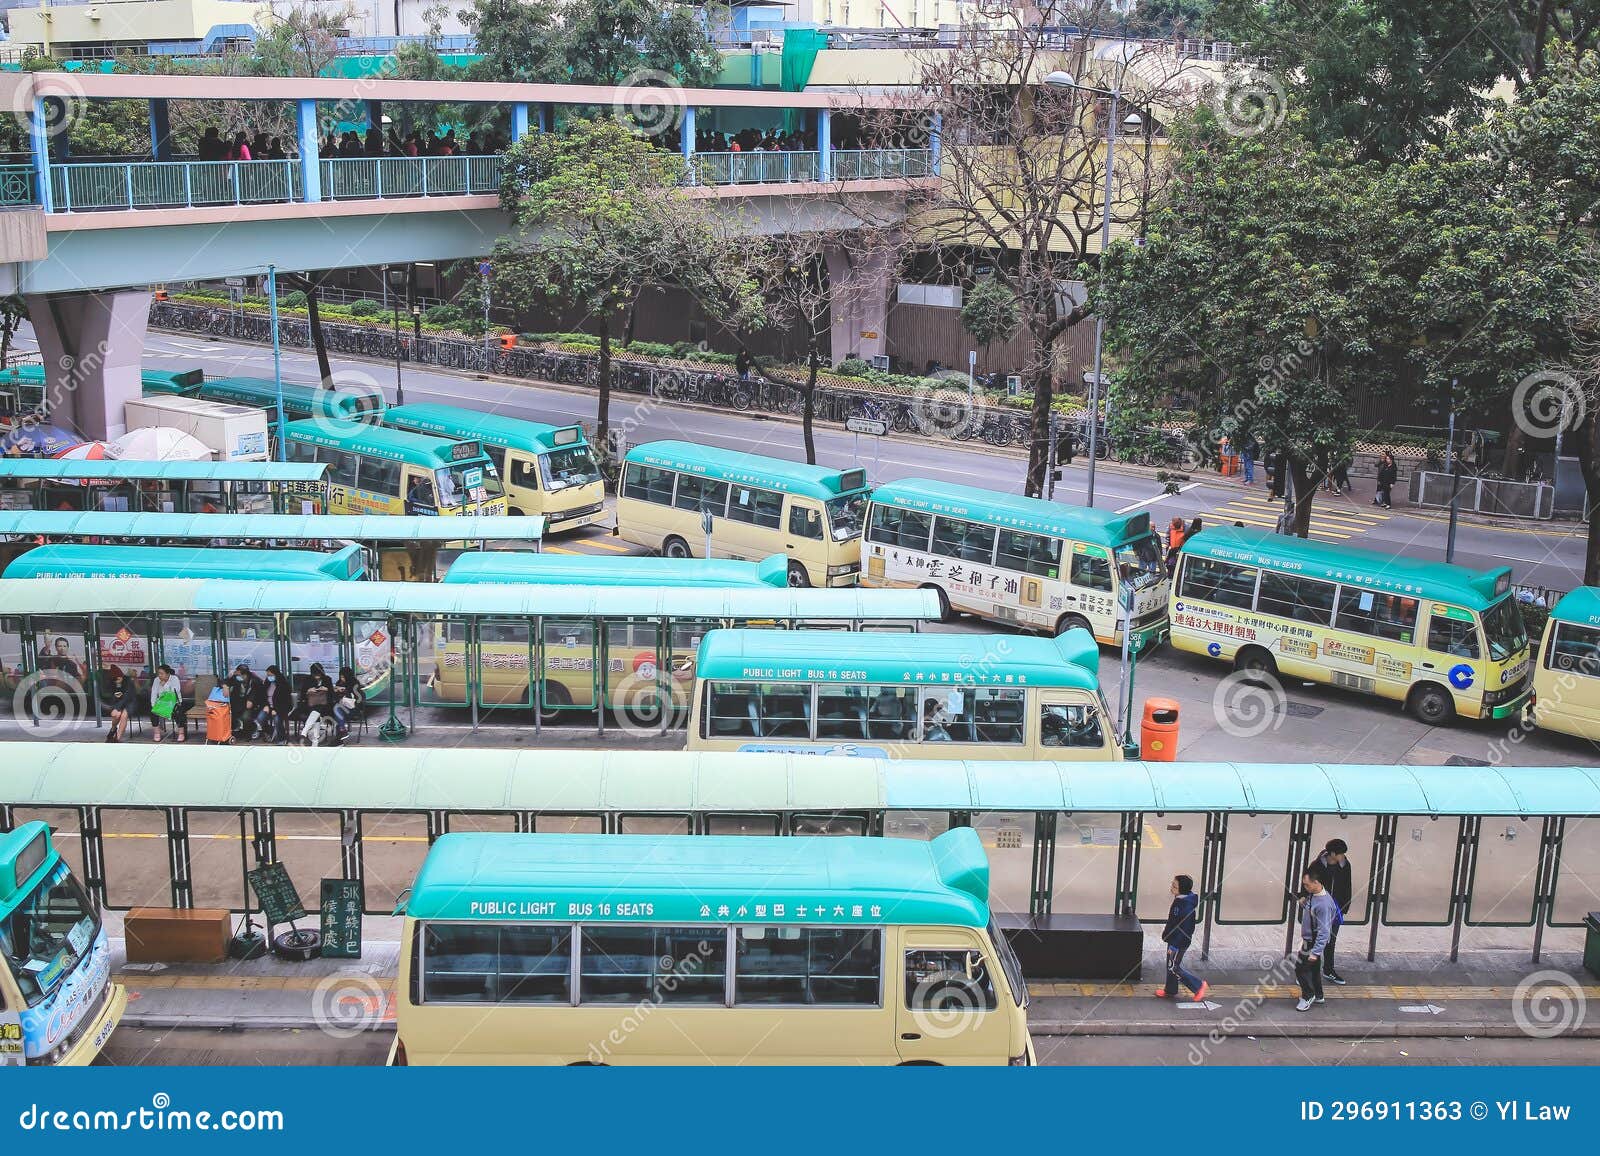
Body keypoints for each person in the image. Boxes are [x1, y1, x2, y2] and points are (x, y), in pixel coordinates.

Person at [1156, 874, 1208, 1001]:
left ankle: (1198, 985)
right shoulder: (1181, 900)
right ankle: (1170, 990)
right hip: (1174, 939)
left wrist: (1174, 945)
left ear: (1182, 889)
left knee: (1173, 967)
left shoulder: (1185, 906)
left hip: (1178, 942)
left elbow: (1185, 929)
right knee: (1171, 965)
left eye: (1174, 886)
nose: (1171, 888)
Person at [1296, 867, 1339, 1011]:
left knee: (1300, 970)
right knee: (1314, 970)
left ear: (1316, 882)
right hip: (1310, 940)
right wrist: (1304, 903)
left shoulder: (1324, 905)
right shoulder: (1314, 895)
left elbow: (1324, 931)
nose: (1305, 887)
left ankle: (1308, 996)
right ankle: (1319, 995)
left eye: (1307, 885)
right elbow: (1312, 910)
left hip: (1312, 942)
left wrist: (1315, 952)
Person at [1313, 838, 1352, 984]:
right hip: (1319, 909)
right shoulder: (1317, 865)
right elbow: (1308, 884)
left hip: (1336, 909)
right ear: (1333, 854)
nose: (1343, 856)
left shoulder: (1345, 865)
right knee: (1313, 941)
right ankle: (1307, 972)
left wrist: (1344, 906)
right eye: (1341, 854)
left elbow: (1348, 885)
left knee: (1331, 941)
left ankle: (1328, 970)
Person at [293, 662, 335, 744]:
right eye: (315, 675)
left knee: (317, 710)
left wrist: (327, 689)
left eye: (319, 675)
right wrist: (308, 691)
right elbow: (302, 695)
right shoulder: (308, 680)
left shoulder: (327, 679)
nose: (317, 677)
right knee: (316, 712)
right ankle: (315, 739)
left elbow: (332, 695)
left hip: (325, 705)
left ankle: (305, 731)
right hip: (310, 704)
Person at [149, 663, 188, 743]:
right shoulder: (156, 680)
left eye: (161, 673)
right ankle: (157, 733)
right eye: (159, 673)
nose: (159, 675)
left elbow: (176, 691)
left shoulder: (174, 679)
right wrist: (153, 705)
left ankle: (181, 733)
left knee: (178, 712)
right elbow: (154, 693)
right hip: (162, 702)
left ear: (168, 674)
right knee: (153, 712)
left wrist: (165, 685)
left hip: (174, 702)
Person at [228, 663, 266, 740]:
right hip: (238, 704)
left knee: (245, 717)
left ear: (245, 674)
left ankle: (251, 730)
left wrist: (251, 700)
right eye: (237, 674)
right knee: (230, 714)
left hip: (252, 705)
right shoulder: (235, 678)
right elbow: (223, 682)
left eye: (240, 674)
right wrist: (226, 683)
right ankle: (238, 730)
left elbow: (257, 693)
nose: (238, 676)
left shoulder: (254, 681)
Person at [258, 665, 293, 744]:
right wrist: (266, 705)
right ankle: (270, 731)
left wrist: (276, 709)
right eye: (268, 675)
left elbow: (285, 701)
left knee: (277, 719)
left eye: (270, 675)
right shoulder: (267, 683)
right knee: (260, 718)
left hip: (280, 708)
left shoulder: (283, 685)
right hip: (268, 706)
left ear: (276, 674)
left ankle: (282, 738)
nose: (269, 677)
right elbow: (263, 696)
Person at [104, 665, 136, 743]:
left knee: (124, 716)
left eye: (118, 678)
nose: (117, 681)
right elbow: (111, 696)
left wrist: (117, 708)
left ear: (121, 675)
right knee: (116, 715)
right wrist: (115, 696)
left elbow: (128, 697)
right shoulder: (112, 682)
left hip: (130, 702)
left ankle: (117, 738)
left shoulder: (128, 681)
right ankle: (113, 729)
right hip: (118, 702)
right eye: (115, 680)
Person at [333, 666, 364, 740]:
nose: (342, 679)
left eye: (343, 677)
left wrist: (346, 691)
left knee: (337, 709)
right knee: (337, 708)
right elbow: (335, 698)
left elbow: (358, 699)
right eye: (341, 677)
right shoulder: (339, 683)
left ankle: (342, 731)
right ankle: (341, 732)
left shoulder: (355, 684)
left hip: (353, 709)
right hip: (341, 707)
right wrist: (336, 691)